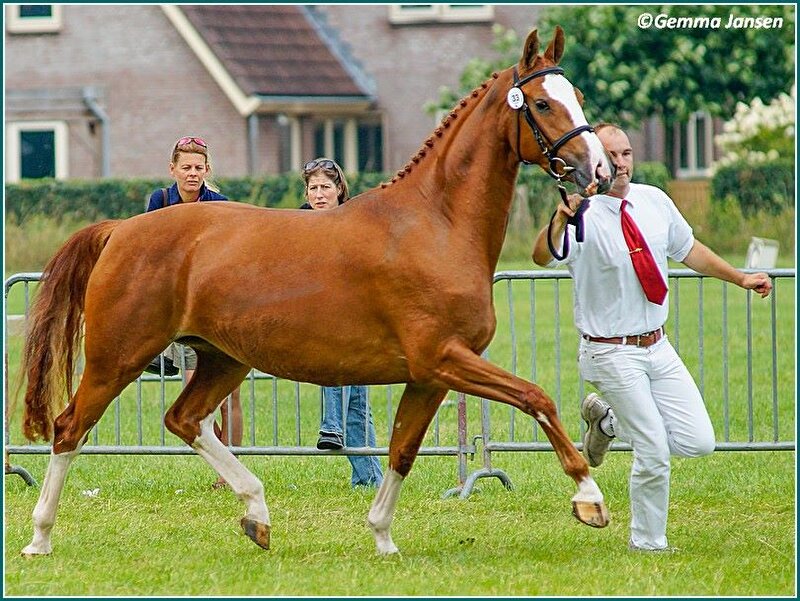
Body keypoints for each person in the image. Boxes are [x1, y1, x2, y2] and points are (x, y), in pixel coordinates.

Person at [532, 123, 773, 552]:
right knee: (654, 450)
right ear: (594, 163)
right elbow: (542, 257)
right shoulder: (579, 214)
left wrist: (740, 278)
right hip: (610, 351)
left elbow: (690, 250)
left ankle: (607, 421)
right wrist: (556, 220)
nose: (622, 163)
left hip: (657, 345)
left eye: (626, 154)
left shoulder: (654, 200)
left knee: (698, 442)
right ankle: (648, 542)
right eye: (612, 156)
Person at [147, 135, 244, 488]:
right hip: (180, 308)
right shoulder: (159, 201)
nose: (192, 174)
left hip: (218, 308)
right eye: (185, 167)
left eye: (198, 168)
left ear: (207, 170)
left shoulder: (220, 204)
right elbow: (149, 254)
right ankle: (224, 462)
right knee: (195, 389)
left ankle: (231, 466)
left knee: (229, 393)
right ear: (173, 169)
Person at [299, 157, 384, 488]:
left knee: (358, 405)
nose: (319, 195)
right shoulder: (298, 225)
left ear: (339, 190)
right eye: (313, 188)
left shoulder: (354, 222)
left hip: (355, 318)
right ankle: (331, 427)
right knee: (340, 371)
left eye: (325, 187)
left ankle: (367, 478)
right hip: (317, 319)